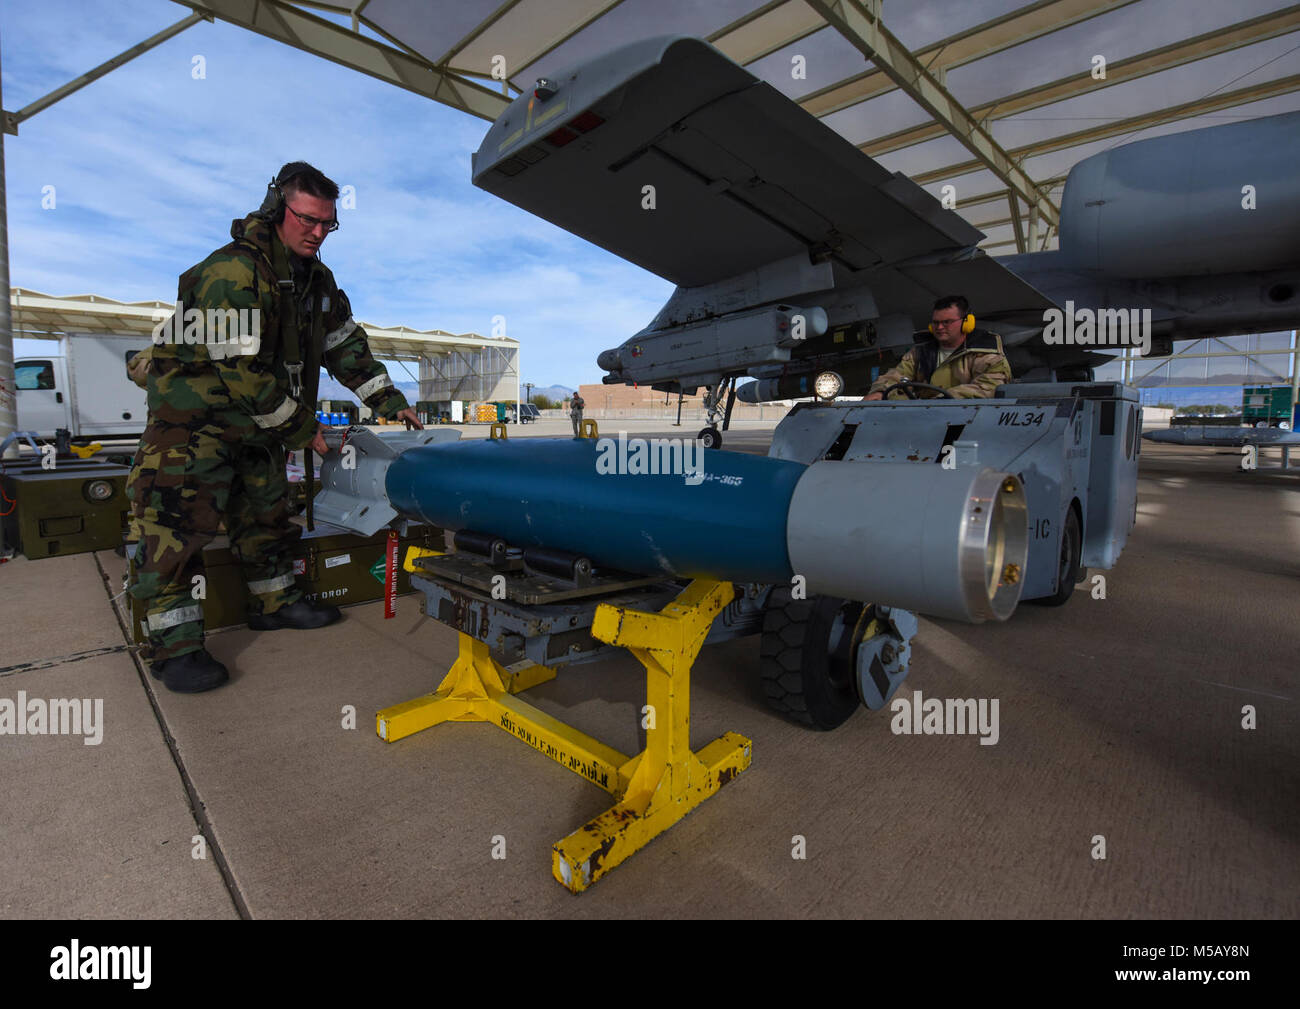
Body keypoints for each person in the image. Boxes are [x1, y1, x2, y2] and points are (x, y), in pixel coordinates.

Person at [126, 162, 422, 694]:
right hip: (194, 429)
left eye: (327, 224)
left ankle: (274, 602)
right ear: (275, 210)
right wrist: (301, 427)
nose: (317, 232)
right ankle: (176, 648)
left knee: (266, 518)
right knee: (175, 533)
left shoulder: (318, 281)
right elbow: (240, 371)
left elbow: (344, 346)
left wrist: (390, 399)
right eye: (307, 219)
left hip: (258, 425)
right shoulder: (230, 274)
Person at [864, 295, 1012, 400]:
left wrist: (944, 400)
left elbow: (988, 387)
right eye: (936, 322)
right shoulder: (920, 352)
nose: (939, 327)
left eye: (947, 322)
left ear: (967, 323)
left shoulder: (987, 355)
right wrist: (880, 391)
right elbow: (897, 375)